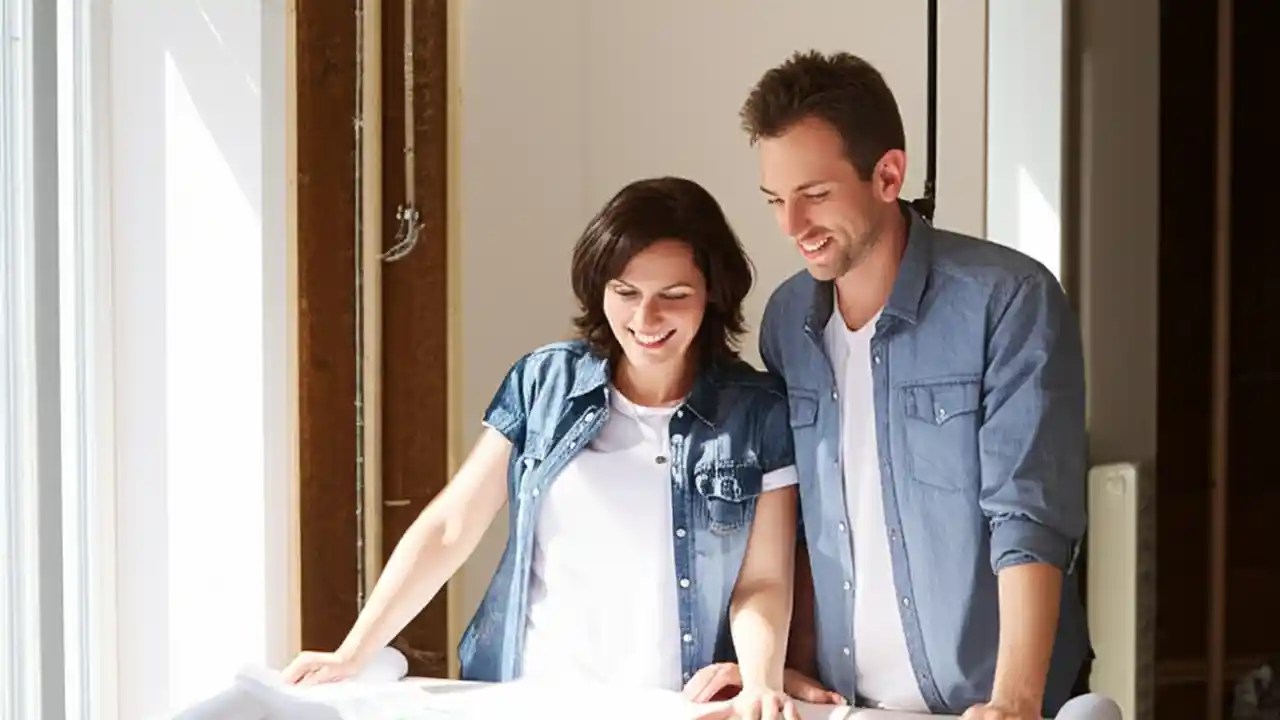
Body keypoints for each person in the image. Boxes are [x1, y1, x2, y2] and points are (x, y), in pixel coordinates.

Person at [284, 177, 802, 720]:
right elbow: (451, 526)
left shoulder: (757, 412)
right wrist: (352, 652)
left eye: (673, 296)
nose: (645, 320)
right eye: (626, 293)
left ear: (712, 295)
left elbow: (764, 581)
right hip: (528, 697)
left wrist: (761, 684)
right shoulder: (546, 382)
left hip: (672, 707)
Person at [684, 51, 1100, 720]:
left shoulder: (1007, 300)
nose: (791, 226)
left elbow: (1028, 516)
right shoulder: (789, 321)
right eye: (775, 200)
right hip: (849, 705)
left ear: (888, 174)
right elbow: (804, 519)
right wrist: (782, 663)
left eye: (815, 195)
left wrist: (1014, 702)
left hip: (984, 706)